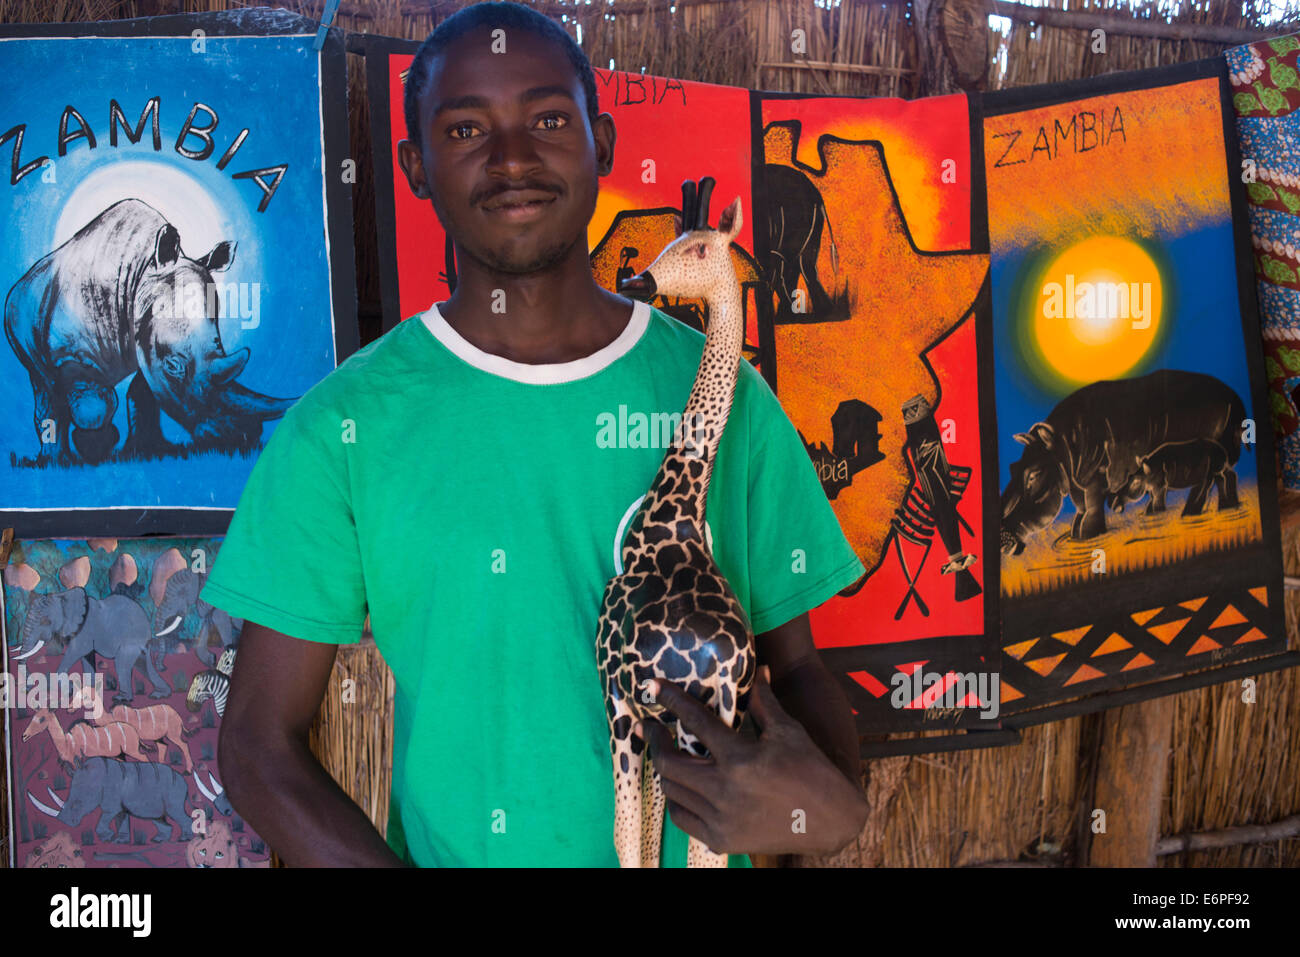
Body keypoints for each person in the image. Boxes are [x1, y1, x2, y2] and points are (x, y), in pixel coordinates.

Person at [202, 0, 869, 867]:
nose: (512, 157)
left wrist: (813, 811)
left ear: (603, 144)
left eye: (548, 119)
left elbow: (801, 668)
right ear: (414, 165)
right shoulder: (342, 430)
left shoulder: (725, 397)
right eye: (467, 128)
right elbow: (257, 744)